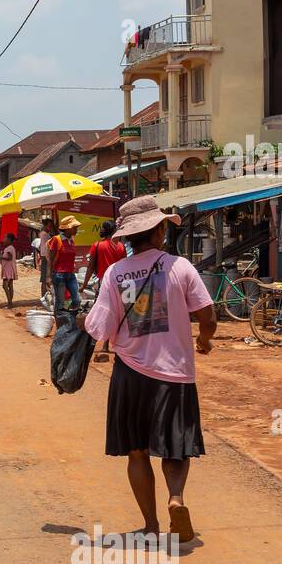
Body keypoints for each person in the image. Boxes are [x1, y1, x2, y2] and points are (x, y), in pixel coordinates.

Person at [84, 195, 216, 544]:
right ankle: (176, 498)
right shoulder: (181, 267)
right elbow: (207, 315)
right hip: (175, 373)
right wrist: (204, 339)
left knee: (137, 450)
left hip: (130, 373)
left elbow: (100, 327)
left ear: (128, 237)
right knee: (176, 446)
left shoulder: (114, 273)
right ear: (158, 232)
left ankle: (151, 525)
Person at [82, 219, 126, 356]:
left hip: (104, 283)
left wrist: (84, 285)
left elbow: (90, 267)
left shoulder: (97, 246)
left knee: (102, 313)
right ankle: (118, 343)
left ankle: (101, 343)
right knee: (119, 312)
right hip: (120, 283)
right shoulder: (121, 246)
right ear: (114, 231)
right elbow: (125, 265)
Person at [47, 215, 82, 315]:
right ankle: (62, 325)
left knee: (77, 300)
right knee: (60, 303)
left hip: (70, 274)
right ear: (67, 229)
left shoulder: (71, 240)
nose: (76, 229)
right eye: (74, 227)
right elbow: (51, 258)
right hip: (59, 275)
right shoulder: (56, 240)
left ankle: (69, 319)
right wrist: (49, 276)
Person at [0, 233, 18, 309]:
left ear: (9, 240)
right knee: (10, 286)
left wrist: (1, 257)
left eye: (5, 238)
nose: (3, 240)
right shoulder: (11, 248)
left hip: (8, 270)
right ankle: (10, 302)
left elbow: (9, 258)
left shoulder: (8, 248)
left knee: (5, 286)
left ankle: (10, 302)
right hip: (10, 269)